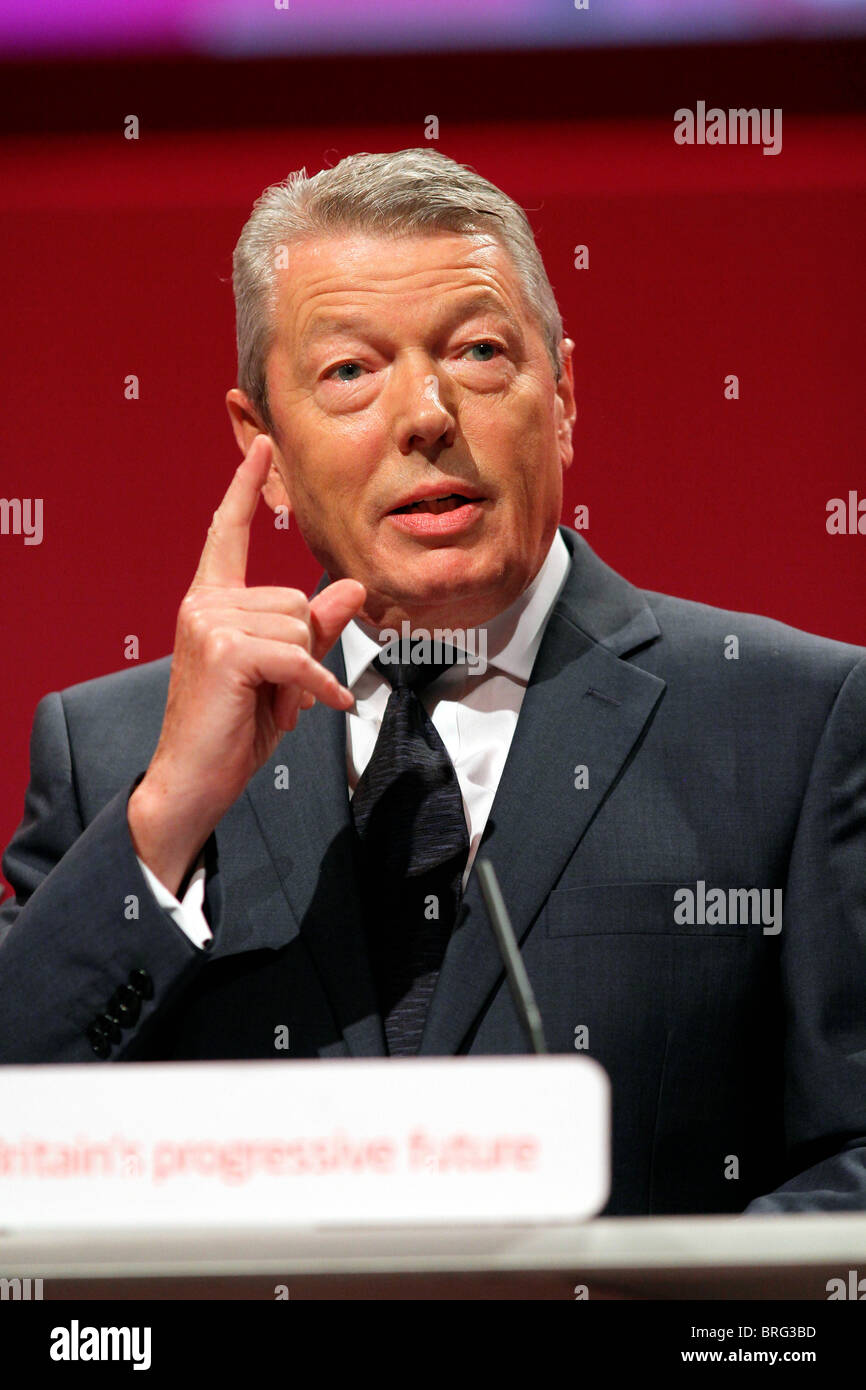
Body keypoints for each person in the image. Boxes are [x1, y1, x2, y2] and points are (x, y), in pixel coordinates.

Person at [1, 149, 864, 1216]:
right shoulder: (114, 759)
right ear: (259, 441)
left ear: (563, 397)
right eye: (350, 371)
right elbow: (17, 1133)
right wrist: (164, 819)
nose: (424, 414)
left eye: (478, 351)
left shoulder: (788, 722)